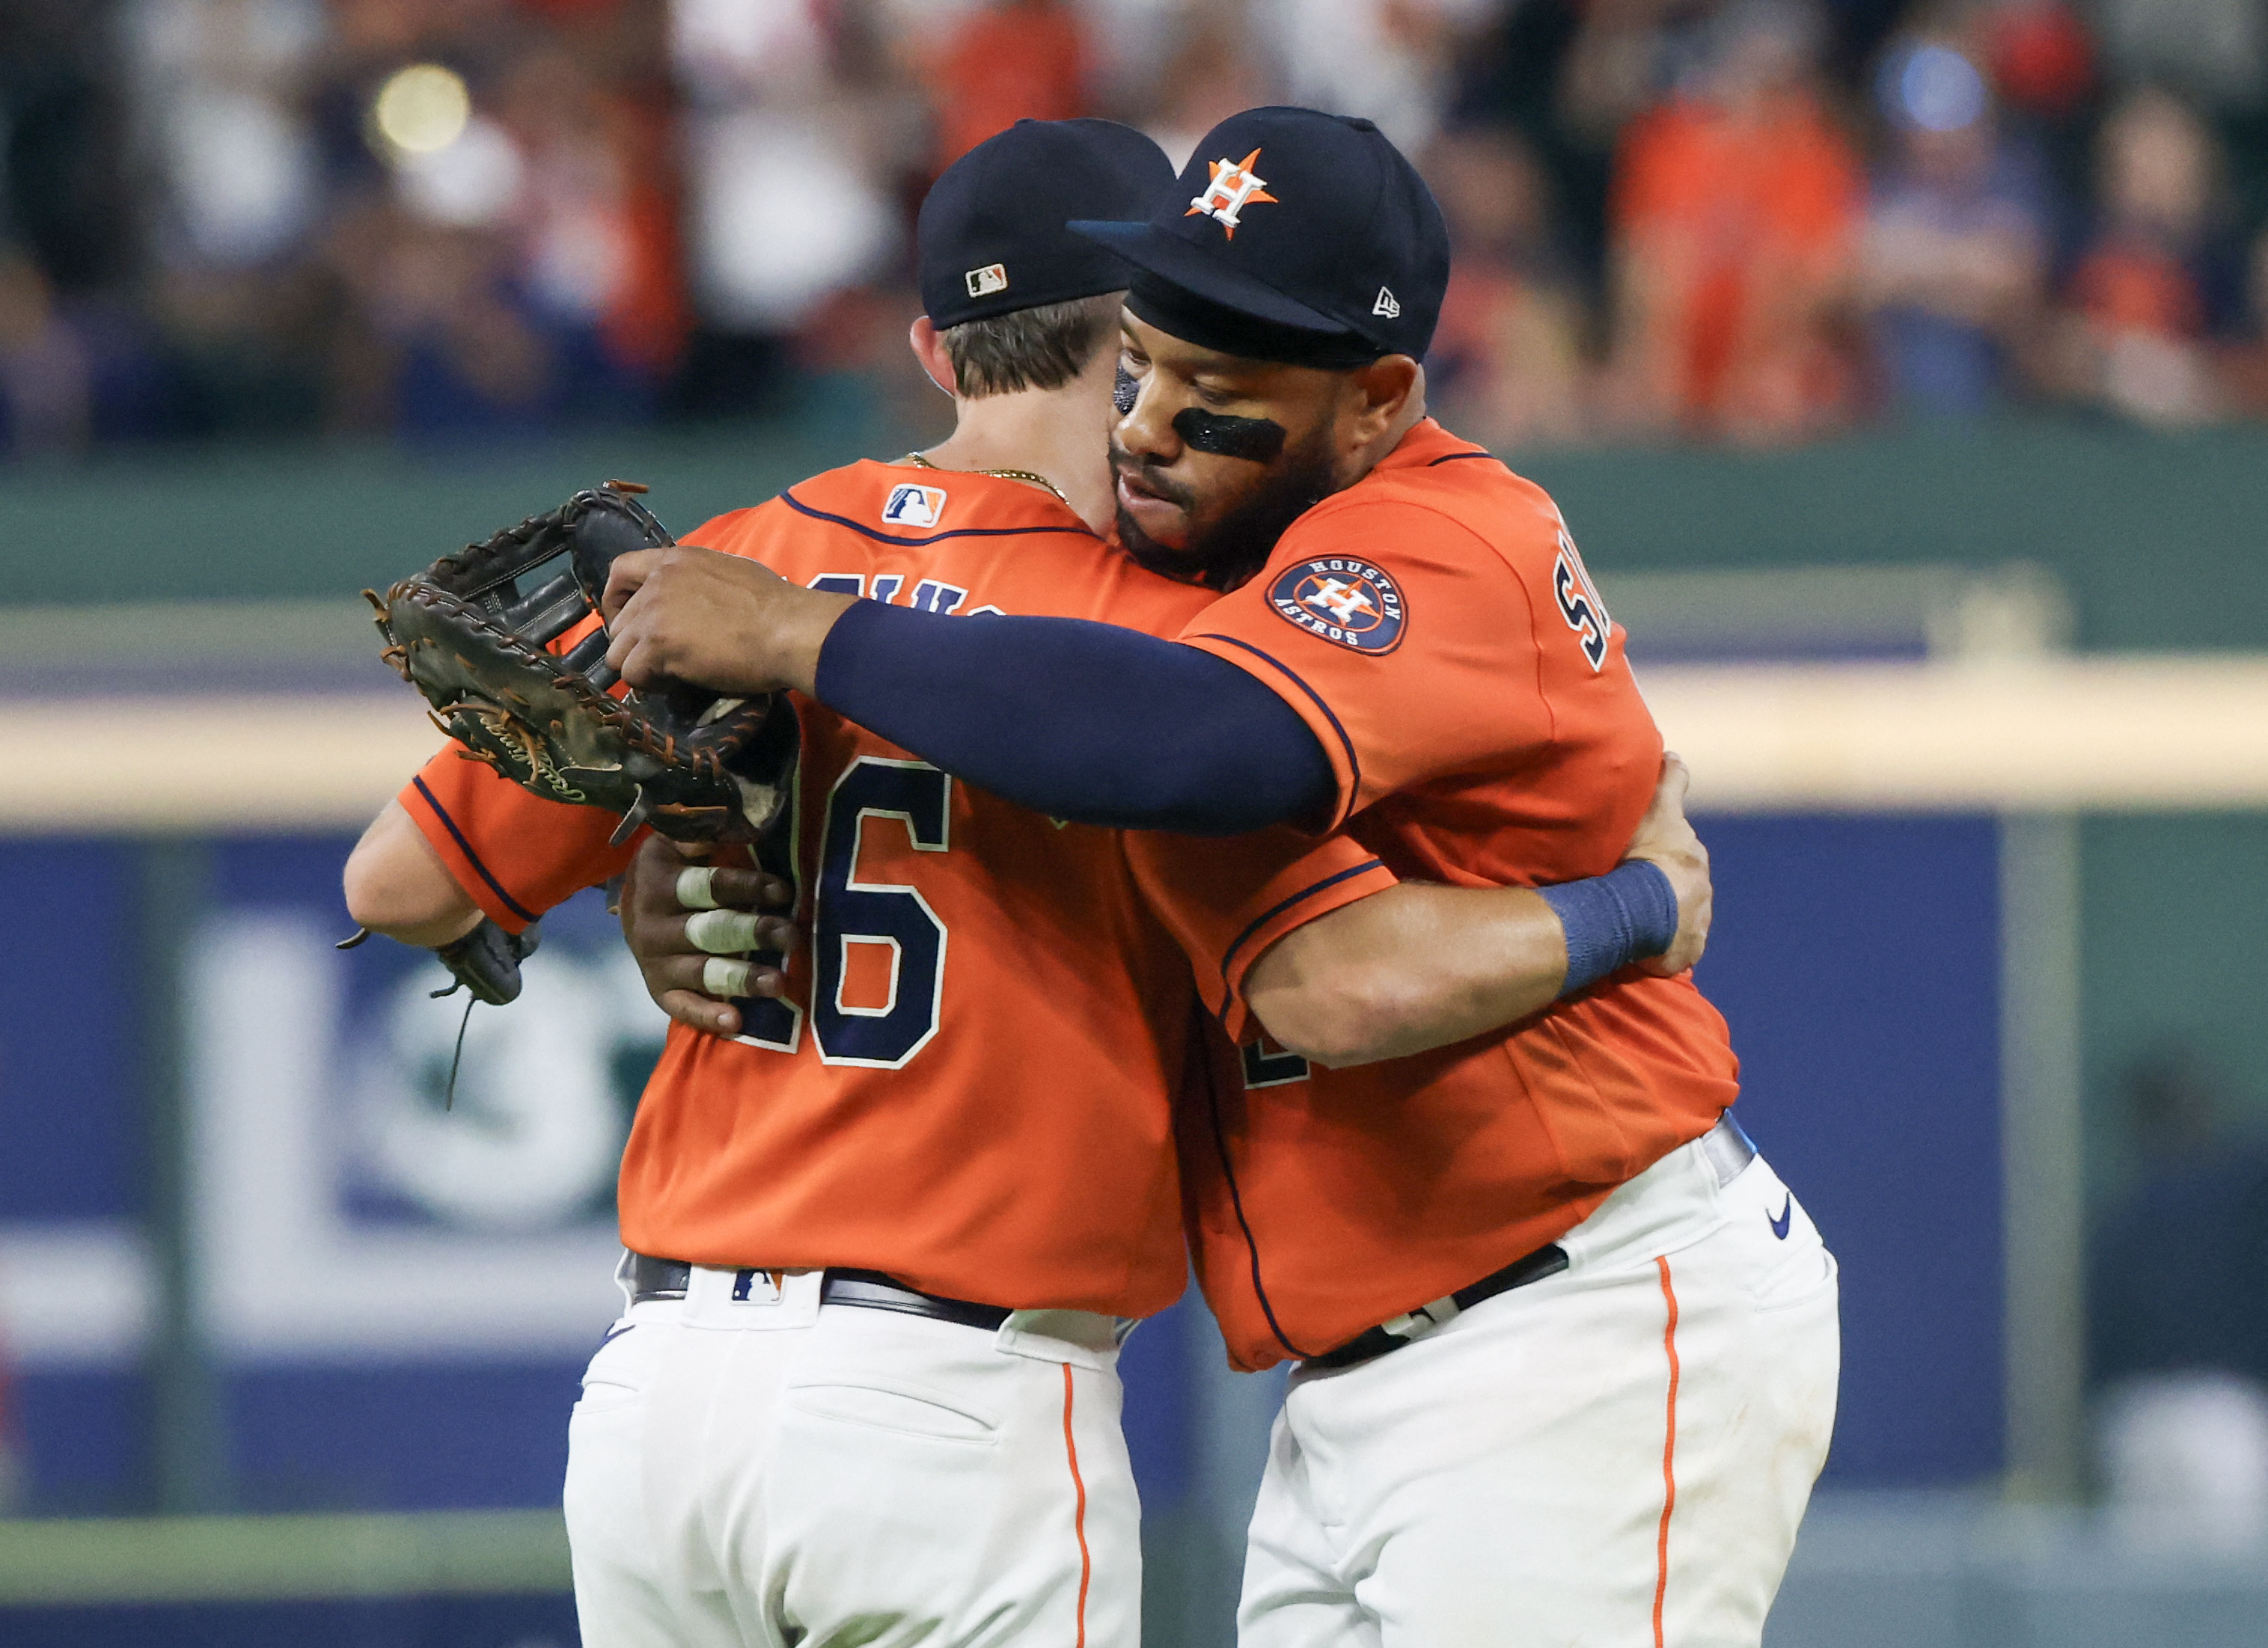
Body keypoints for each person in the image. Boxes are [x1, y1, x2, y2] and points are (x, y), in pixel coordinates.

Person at [343, 117, 1715, 1648]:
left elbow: (399, 882)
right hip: (955, 1396)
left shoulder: (735, 563)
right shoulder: (1143, 646)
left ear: (932, 346)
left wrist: (668, 845)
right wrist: (1640, 907)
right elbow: (1327, 971)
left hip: (658, 1391)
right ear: (1138, 333)